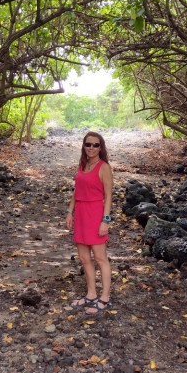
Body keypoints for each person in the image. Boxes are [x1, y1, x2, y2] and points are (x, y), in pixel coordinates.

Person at [66, 131, 113, 315]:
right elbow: (76, 191)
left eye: (95, 145)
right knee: (85, 259)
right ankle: (91, 294)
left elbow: (109, 196)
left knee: (100, 259)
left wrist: (105, 220)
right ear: (84, 146)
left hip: (96, 214)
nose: (91, 148)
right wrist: (70, 211)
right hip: (81, 214)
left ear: (100, 147)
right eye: (88, 144)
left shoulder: (104, 167)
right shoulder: (82, 164)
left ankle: (105, 297)